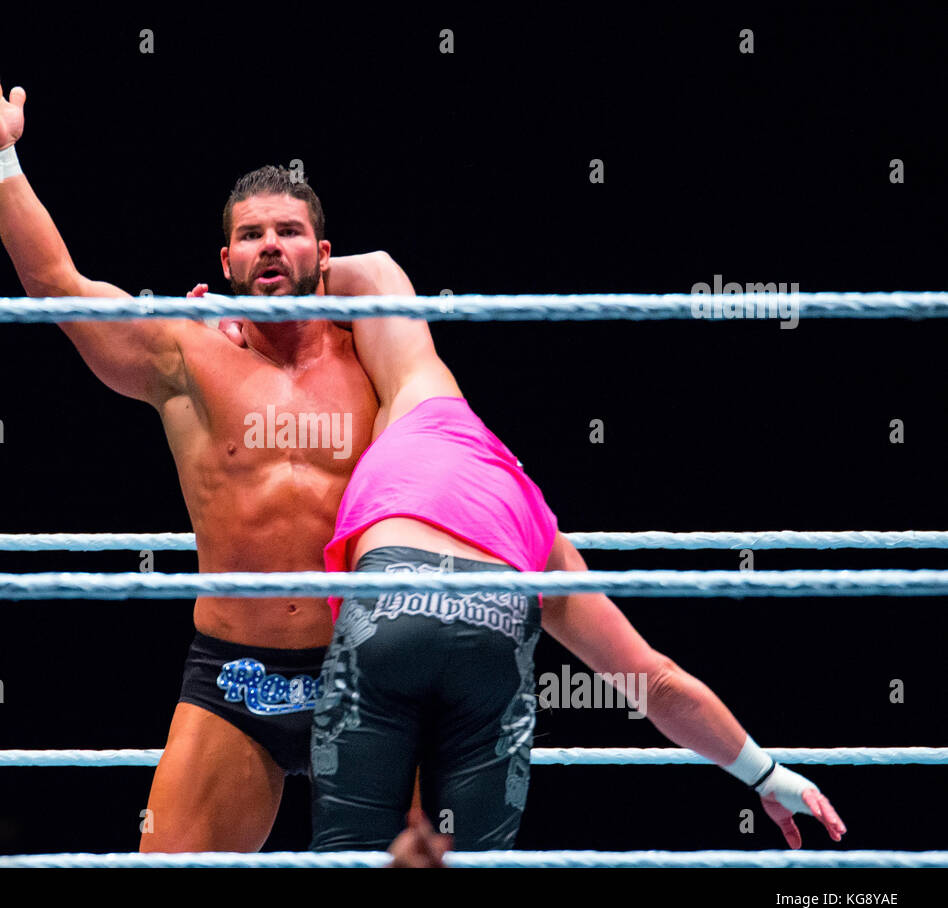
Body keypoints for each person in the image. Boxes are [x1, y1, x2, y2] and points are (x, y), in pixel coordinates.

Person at [0, 34, 411, 852]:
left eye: (288, 231)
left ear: (324, 253)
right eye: (251, 235)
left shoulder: (381, 356)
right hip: (233, 677)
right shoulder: (184, 352)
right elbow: (56, 283)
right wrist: (1, 157)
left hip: (365, 673)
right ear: (225, 258)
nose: (270, 245)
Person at [307, 255, 848, 853]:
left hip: (389, 607)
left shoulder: (417, 406)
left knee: (350, 859)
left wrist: (243, 316)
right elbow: (656, 682)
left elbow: (374, 270)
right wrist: (766, 775)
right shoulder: (529, 516)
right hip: (497, 617)